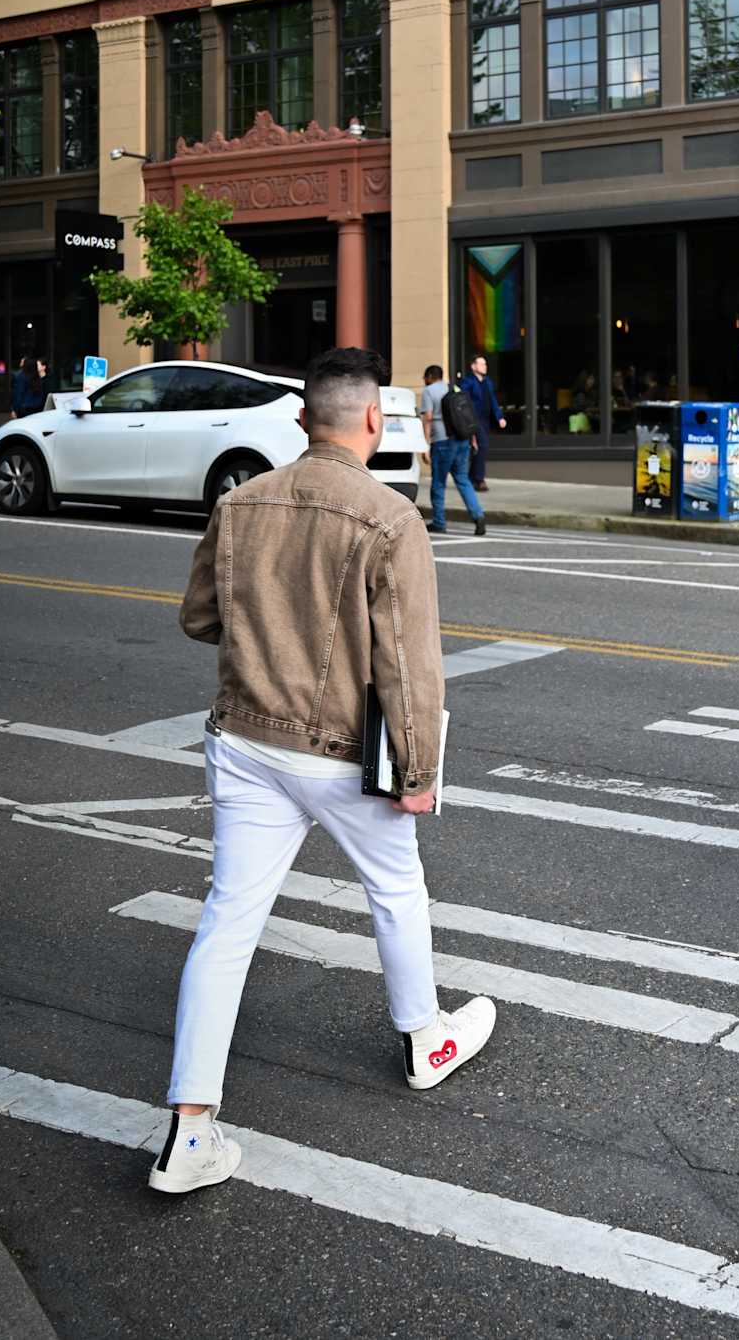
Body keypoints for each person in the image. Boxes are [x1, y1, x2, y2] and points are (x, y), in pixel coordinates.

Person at [150, 346, 497, 1197]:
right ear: (374, 420)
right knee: (396, 886)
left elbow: (199, 619)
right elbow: (409, 665)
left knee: (228, 921)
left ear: (303, 419)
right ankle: (425, 1039)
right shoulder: (391, 519)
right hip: (342, 750)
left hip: (246, 740)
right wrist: (417, 771)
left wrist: (268, 621)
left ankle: (189, 1130)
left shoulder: (240, 503)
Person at [420, 362, 486, 538]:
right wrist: (472, 438)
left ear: (429, 377)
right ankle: (478, 515)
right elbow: (466, 414)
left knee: (438, 483)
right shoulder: (454, 388)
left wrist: (425, 445)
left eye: (425, 378)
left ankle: (439, 522)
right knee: (463, 479)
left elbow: (428, 418)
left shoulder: (428, 391)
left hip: (441, 441)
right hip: (462, 438)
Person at [460, 352, 506, 491]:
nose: (485, 366)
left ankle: (471, 478)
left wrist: (499, 417)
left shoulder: (487, 382)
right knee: (482, 446)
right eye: (482, 364)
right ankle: (479, 480)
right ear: (473, 366)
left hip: (485, 420)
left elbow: (493, 401)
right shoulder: (468, 382)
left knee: (478, 448)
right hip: (474, 420)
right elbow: (464, 402)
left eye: (485, 364)